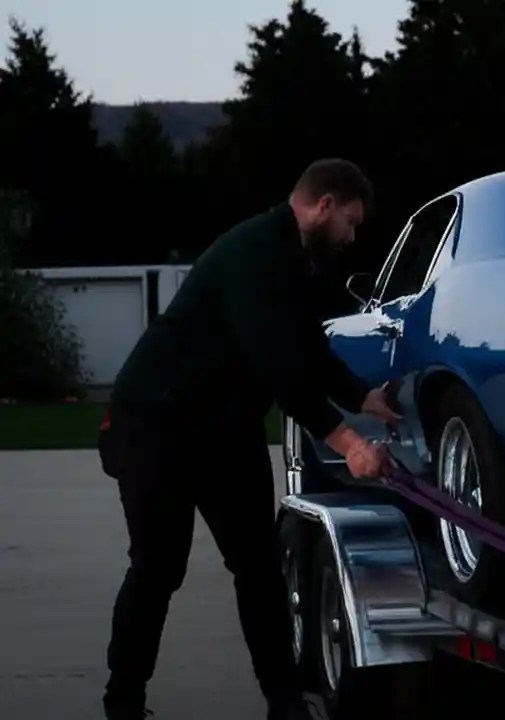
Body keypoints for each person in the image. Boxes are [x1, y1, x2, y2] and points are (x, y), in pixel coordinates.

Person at [97, 159, 400, 719]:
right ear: (324, 205)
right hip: (156, 427)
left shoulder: (298, 262)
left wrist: (363, 399)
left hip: (225, 432)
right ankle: (124, 699)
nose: (353, 237)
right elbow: (279, 367)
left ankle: (282, 701)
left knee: (258, 569)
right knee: (159, 568)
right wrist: (349, 444)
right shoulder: (254, 254)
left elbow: (308, 349)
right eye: (350, 223)